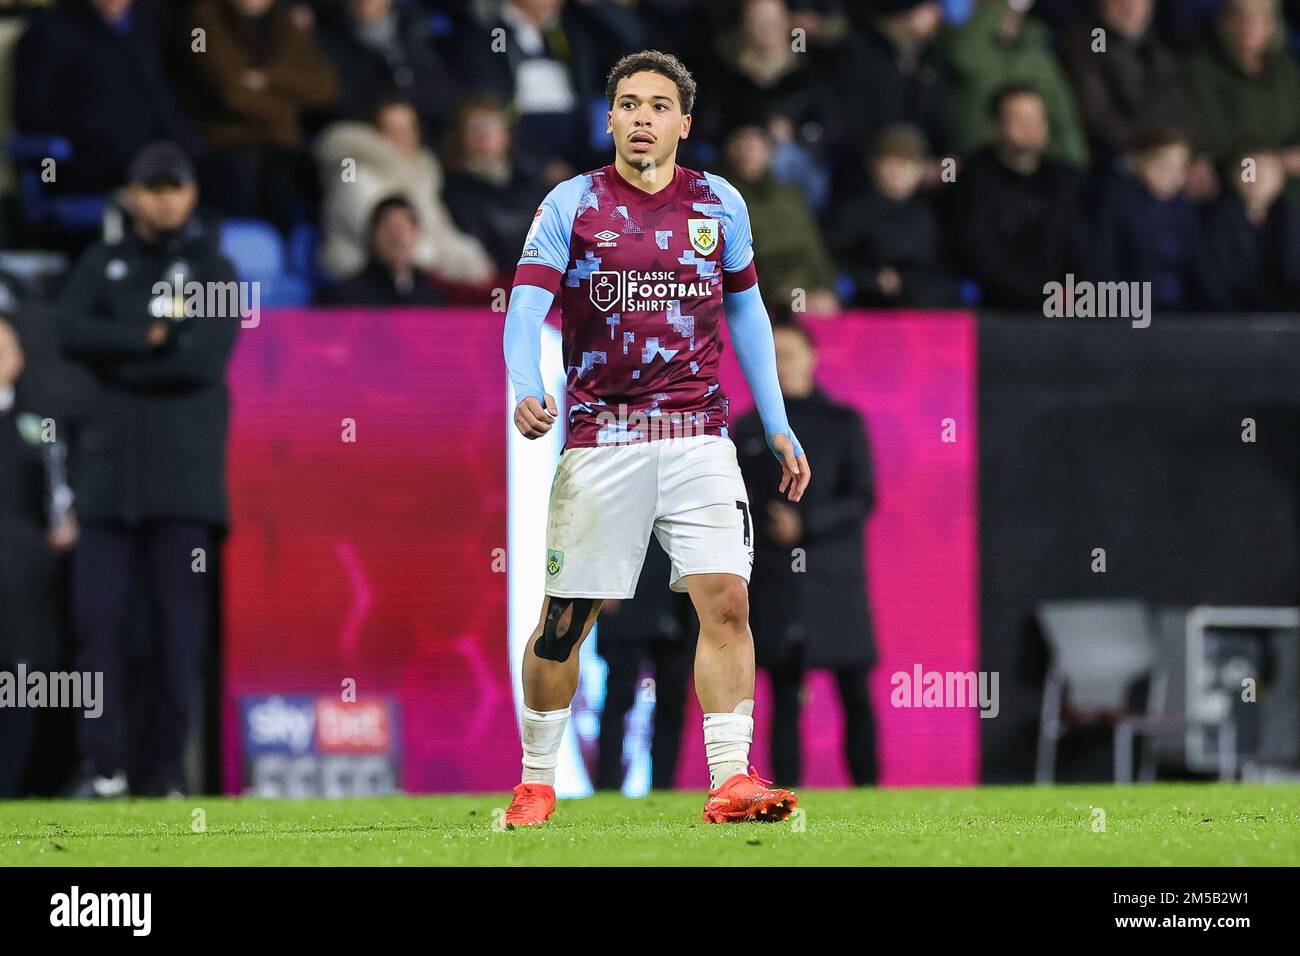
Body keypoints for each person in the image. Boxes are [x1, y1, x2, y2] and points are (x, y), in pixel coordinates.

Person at [501, 50, 810, 826]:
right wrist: (528, 386)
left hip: (699, 434)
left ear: (683, 123)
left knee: (729, 601)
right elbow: (525, 305)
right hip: (603, 439)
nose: (643, 118)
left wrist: (774, 423)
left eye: (658, 105)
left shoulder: (719, 205)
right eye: (629, 104)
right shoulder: (572, 203)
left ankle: (731, 779)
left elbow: (747, 313)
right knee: (567, 620)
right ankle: (537, 782)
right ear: (609, 119)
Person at [57, 143, 241, 797]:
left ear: (191, 195)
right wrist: (149, 337)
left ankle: (165, 776)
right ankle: (102, 767)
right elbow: (66, 332)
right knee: (96, 627)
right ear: (131, 195)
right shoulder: (100, 262)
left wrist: (118, 351)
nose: (164, 199)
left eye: (175, 187)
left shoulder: (215, 268)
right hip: (106, 485)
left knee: (176, 633)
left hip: (184, 487)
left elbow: (201, 362)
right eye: (152, 187)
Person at [734, 320, 878, 787]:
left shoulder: (843, 423)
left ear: (813, 357)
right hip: (776, 582)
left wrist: (806, 525)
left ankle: (869, 793)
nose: (783, 365)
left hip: (835, 579)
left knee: (854, 690)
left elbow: (862, 497)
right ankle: (786, 790)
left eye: (791, 354)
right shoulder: (747, 428)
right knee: (783, 692)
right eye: (773, 355)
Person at [0, 317, 78, 797]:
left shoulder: (37, 429)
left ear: (19, 358)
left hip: (22, 581)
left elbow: (61, 506)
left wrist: (62, 528)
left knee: (21, 680)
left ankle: (10, 790)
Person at [314, 98, 493, 285]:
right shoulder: (353, 171)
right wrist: (444, 264)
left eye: (408, 130)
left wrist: (470, 260)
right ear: (375, 135)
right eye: (393, 131)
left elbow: (439, 230)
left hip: (417, 273)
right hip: (361, 278)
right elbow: (385, 242)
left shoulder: (421, 174)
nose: (402, 138)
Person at [952, 84, 1087, 309]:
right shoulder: (972, 179)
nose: (1031, 127)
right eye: (1020, 119)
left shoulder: (1066, 180)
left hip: (1061, 310)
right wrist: (1039, 296)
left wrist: (1073, 291)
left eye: (1037, 119)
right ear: (994, 126)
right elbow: (978, 254)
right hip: (995, 309)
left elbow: (1079, 247)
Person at [593, 539, 697, 792]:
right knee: (618, 696)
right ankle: (608, 786)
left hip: (677, 602)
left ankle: (663, 786)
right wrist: (602, 581)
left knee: (672, 701)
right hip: (626, 596)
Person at [825, 125, 955, 308]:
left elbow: (942, 266)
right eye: (890, 162)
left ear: (921, 170)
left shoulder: (931, 213)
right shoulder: (853, 212)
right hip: (868, 306)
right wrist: (871, 279)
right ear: (873, 165)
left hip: (924, 305)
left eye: (906, 164)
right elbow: (830, 260)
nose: (897, 171)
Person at [317, 196, 445, 306]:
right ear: (372, 236)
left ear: (417, 234)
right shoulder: (344, 298)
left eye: (403, 228)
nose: (397, 237)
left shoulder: (432, 296)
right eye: (389, 228)